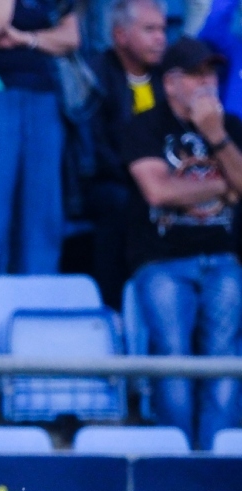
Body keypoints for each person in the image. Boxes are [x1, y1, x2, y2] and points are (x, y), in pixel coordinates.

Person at [126, 38, 242, 449]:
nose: (207, 83)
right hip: (163, 260)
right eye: (196, 75)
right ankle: (177, 455)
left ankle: (216, 458)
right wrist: (223, 187)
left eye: (211, 74)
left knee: (224, 359)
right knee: (172, 357)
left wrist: (217, 137)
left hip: (224, 259)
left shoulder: (231, 129)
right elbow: (158, 192)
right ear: (172, 83)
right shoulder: (145, 127)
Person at [0, 0, 78, 304]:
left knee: (43, 214)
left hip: (45, 96)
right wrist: (42, 39)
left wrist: (26, 39)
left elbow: (71, 37)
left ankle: (36, 307)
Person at [80, 0, 168, 308]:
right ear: (120, 35)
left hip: (161, 180)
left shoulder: (166, 77)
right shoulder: (95, 76)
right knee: (122, 205)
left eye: (162, 29)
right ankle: (113, 307)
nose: (160, 38)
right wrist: (143, 178)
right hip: (109, 180)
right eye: (149, 30)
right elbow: (94, 146)